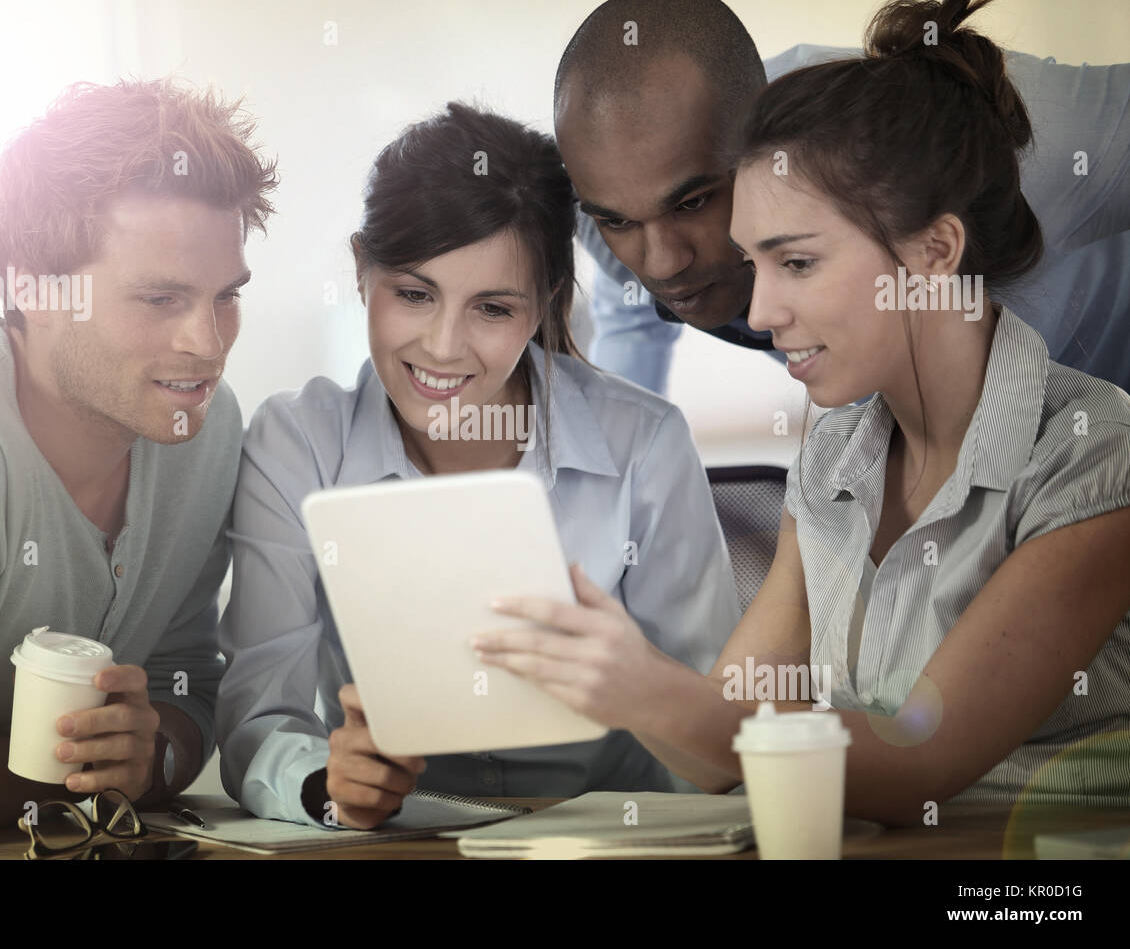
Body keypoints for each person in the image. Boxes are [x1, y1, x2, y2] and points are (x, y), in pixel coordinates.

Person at [474, 0, 1130, 822]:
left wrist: (653, 691)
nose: (754, 314)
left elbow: (920, 755)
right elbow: (732, 735)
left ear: (934, 250)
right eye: (757, 263)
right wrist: (576, 680)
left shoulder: (1095, 454)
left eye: (798, 264)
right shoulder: (835, 449)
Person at [215, 102, 741, 830]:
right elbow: (259, 720)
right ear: (363, 269)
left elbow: (717, 741)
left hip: (608, 838)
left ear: (545, 304)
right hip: (402, 842)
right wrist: (327, 786)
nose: (442, 347)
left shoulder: (643, 443)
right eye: (414, 294)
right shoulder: (295, 442)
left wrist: (642, 690)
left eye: (492, 309)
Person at [0, 79, 275, 851]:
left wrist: (149, 753)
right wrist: (57, 783)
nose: (208, 345)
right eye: (160, 298)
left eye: (226, 296)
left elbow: (186, 684)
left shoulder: (205, 426)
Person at [556, 0, 1130, 396]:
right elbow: (631, 319)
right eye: (617, 221)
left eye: (693, 203)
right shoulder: (609, 201)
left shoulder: (963, 130)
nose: (662, 264)